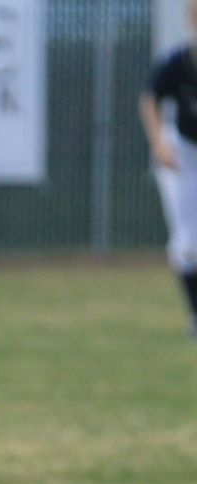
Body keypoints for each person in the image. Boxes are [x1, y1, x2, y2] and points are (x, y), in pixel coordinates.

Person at [139, 0, 197, 336]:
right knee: (187, 242)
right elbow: (149, 97)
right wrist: (159, 142)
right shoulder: (178, 63)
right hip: (184, 154)